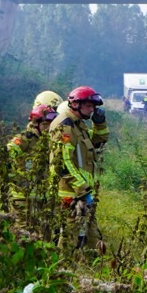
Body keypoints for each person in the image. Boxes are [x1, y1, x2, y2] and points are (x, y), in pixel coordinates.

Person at [50, 86, 103, 250]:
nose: (92, 109)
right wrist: (82, 189)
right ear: (75, 104)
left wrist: (100, 124)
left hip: (81, 191)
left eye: (93, 106)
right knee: (70, 235)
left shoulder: (78, 124)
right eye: (88, 105)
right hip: (71, 192)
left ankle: (95, 262)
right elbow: (62, 163)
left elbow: (98, 143)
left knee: (92, 234)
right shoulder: (65, 126)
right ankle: (63, 263)